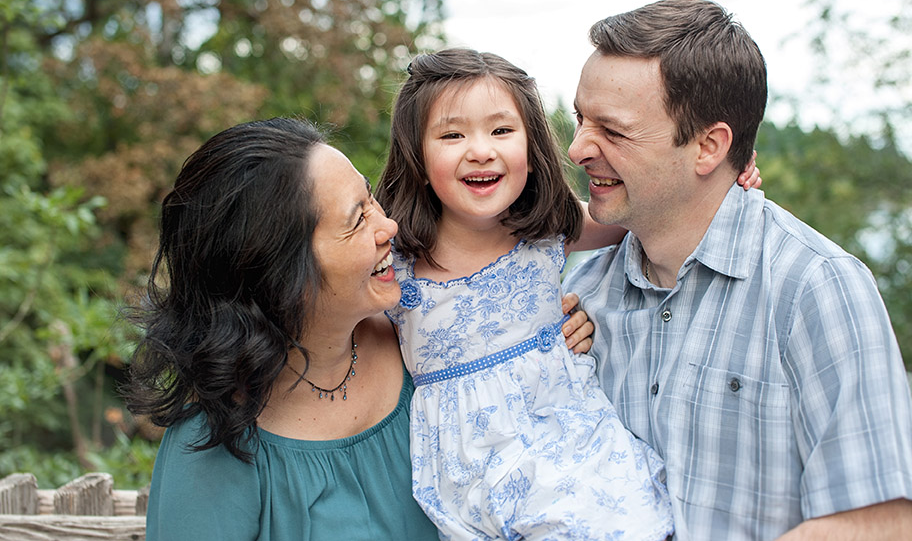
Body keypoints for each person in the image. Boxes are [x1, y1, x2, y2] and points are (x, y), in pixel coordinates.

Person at [124, 117, 594, 540]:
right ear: (279, 273)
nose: (388, 225)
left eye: (370, 198)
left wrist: (556, 338)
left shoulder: (429, 342)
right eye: (356, 221)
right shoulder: (211, 446)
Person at [562, 0, 912, 541]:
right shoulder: (582, 293)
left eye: (612, 131)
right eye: (580, 120)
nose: (576, 149)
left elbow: (878, 521)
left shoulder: (818, 288)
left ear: (709, 146)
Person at [376, 48, 760, 540]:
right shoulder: (395, 263)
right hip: (467, 464)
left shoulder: (548, 231)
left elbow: (648, 214)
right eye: (452, 135)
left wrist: (730, 178)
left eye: (501, 130)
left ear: (532, 151)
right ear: (417, 157)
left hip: (568, 443)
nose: (480, 150)